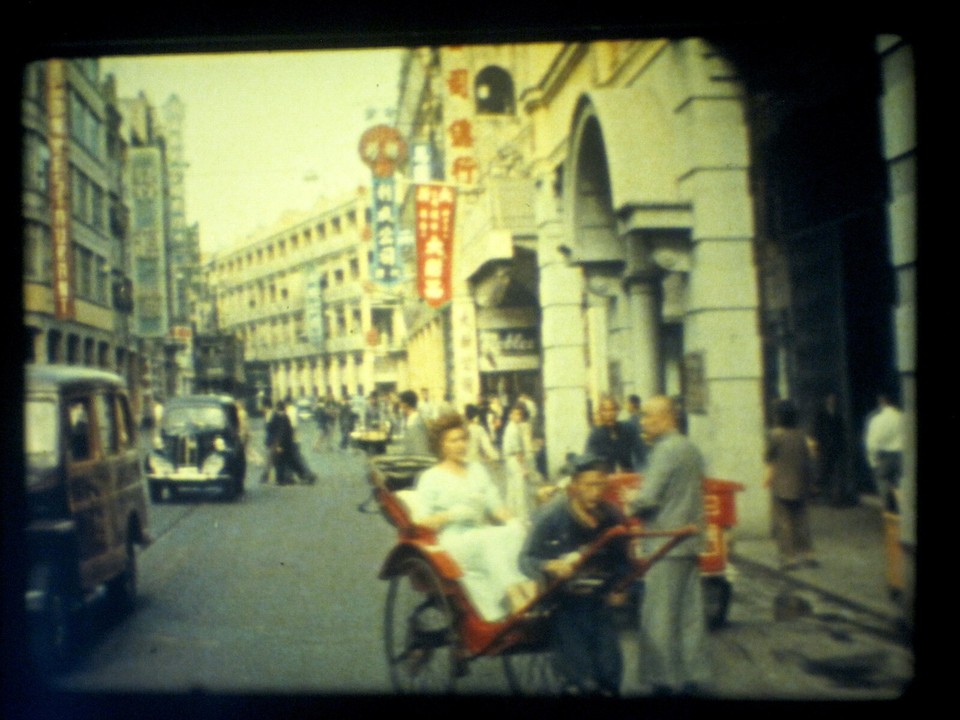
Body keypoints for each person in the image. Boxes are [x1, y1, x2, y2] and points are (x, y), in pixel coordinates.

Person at [519, 453, 632, 696]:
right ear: (574, 487)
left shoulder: (613, 516)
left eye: (601, 484)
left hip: (599, 603)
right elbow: (526, 559)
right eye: (588, 485)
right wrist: (550, 565)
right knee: (582, 680)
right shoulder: (552, 517)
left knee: (611, 675)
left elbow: (624, 561)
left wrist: (621, 587)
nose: (595, 492)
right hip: (564, 604)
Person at [412, 413, 531, 621]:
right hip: (453, 540)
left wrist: (514, 522)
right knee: (488, 541)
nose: (461, 445)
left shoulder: (477, 470)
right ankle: (514, 597)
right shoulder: (431, 478)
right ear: (441, 445)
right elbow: (422, 520)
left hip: (480, 531)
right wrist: (452, 515)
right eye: (453, 440)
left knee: (514, 533)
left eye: (463, 439)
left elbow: (495, 506)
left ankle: (531, 593)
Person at [629, 395, 712, 696]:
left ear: (666, 417)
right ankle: (692, 674)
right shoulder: (690, 448)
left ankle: (662, 680)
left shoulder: (664, 451)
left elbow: (648, 498)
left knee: (660, 617)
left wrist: (629, 503)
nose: (643, 423)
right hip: (689, 543)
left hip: (666, 544)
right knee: (689, 615)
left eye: (648, 416)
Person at [763, 399, 817, 570]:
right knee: (801, 520)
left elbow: (768, 457)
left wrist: (768, 476)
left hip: (781, 484)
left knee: (784, 522)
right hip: (801, 482)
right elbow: (809, 456)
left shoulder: (775, 435)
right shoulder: (801, 435)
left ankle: (789, 558)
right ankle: (808, 555)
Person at [864, 392, 904, 512]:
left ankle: (888, 510)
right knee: (900, 484)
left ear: (882, 402)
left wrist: (873, 461)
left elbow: (872, 442)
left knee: (882, 482)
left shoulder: (877, 420)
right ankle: (902, 510)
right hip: (901, 455)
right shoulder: (902, 417)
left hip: (884, 457)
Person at [585, 395, 645, 473]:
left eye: (612, 410)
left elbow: (641, 455)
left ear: (618, 411)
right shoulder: (595, 434)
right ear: (600, 413)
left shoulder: (629, 429)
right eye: (605, 410)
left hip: (629, 477)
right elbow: (588, 459)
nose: (609, 414)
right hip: (605, 479)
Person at [811, 392, 852, 506]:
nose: (833, 401)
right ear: (827, 401)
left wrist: (843, 446)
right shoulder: (821, 414)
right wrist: (816, 444)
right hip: (824, 447)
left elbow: (841, 431)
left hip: (836, 448)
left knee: (836, 472)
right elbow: (816, 429)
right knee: (823, 471)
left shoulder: (838, 415)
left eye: (834, 400)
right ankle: (821, 495)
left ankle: (834, 498)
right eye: (831, 399)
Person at [501, 402, 537, 520]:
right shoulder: (514, 430)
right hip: (515, 461)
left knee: (512, 488)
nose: (518, 417)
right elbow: (518, 452)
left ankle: (512, 515)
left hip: (509, 461)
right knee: (520, 489)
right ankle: (522, 517)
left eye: (520, 415)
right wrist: (524, 468)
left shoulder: (509, 427)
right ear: (511, 415)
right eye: (516, 414)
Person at [263, 400, 295, 485]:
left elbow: (270, 428)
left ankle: (279, 479)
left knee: (278, 462)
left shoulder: (275, 417)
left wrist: (275, 443)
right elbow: (289, 431)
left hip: (276, 442)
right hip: (285, 443)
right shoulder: (286, 417)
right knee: (284, 461)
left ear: (277, 408)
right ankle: (285, 478)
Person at [398, 389, 431, 456]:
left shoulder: (416, 423)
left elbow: (420, 450)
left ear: (405, 404)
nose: (399, 405)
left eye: (400, 402)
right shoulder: (410, 419)